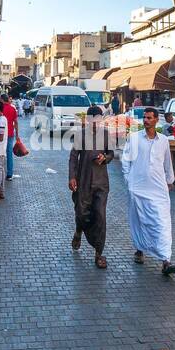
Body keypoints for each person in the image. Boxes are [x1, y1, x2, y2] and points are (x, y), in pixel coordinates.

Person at [121, 107, 175, 277]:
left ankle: (166, 260)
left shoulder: (163, 140)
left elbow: (168, 162)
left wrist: (169, 180)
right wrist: (129, 182)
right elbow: (126, 161)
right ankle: (139, 250)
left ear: (156, 120)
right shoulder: (134, 138)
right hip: (137, 188)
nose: (145, 120)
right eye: (144, 118)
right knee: (139, 221)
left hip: (158, 189)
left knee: (162, 222)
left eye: (149, 118)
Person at [70, 106, 116, 269]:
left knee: (100, 216)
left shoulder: (105, 135)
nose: (95, 124)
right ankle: (78, 231)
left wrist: (105, 158)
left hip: (101, 183)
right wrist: (72, 177)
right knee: (82, 213)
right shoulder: (80, 135)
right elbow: (74, 157)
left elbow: (111, 153)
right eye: (92, 121)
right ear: (88, 120)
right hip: (83, 181)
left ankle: (99, 253)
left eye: (98, 121)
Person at [1, 93, 19, 180]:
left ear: (2, 100)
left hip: (0, 134)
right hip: (10, 133)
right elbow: (16, 122)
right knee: (9, 154)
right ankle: (10, 174)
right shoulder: (13, 109)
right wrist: (17, 135)